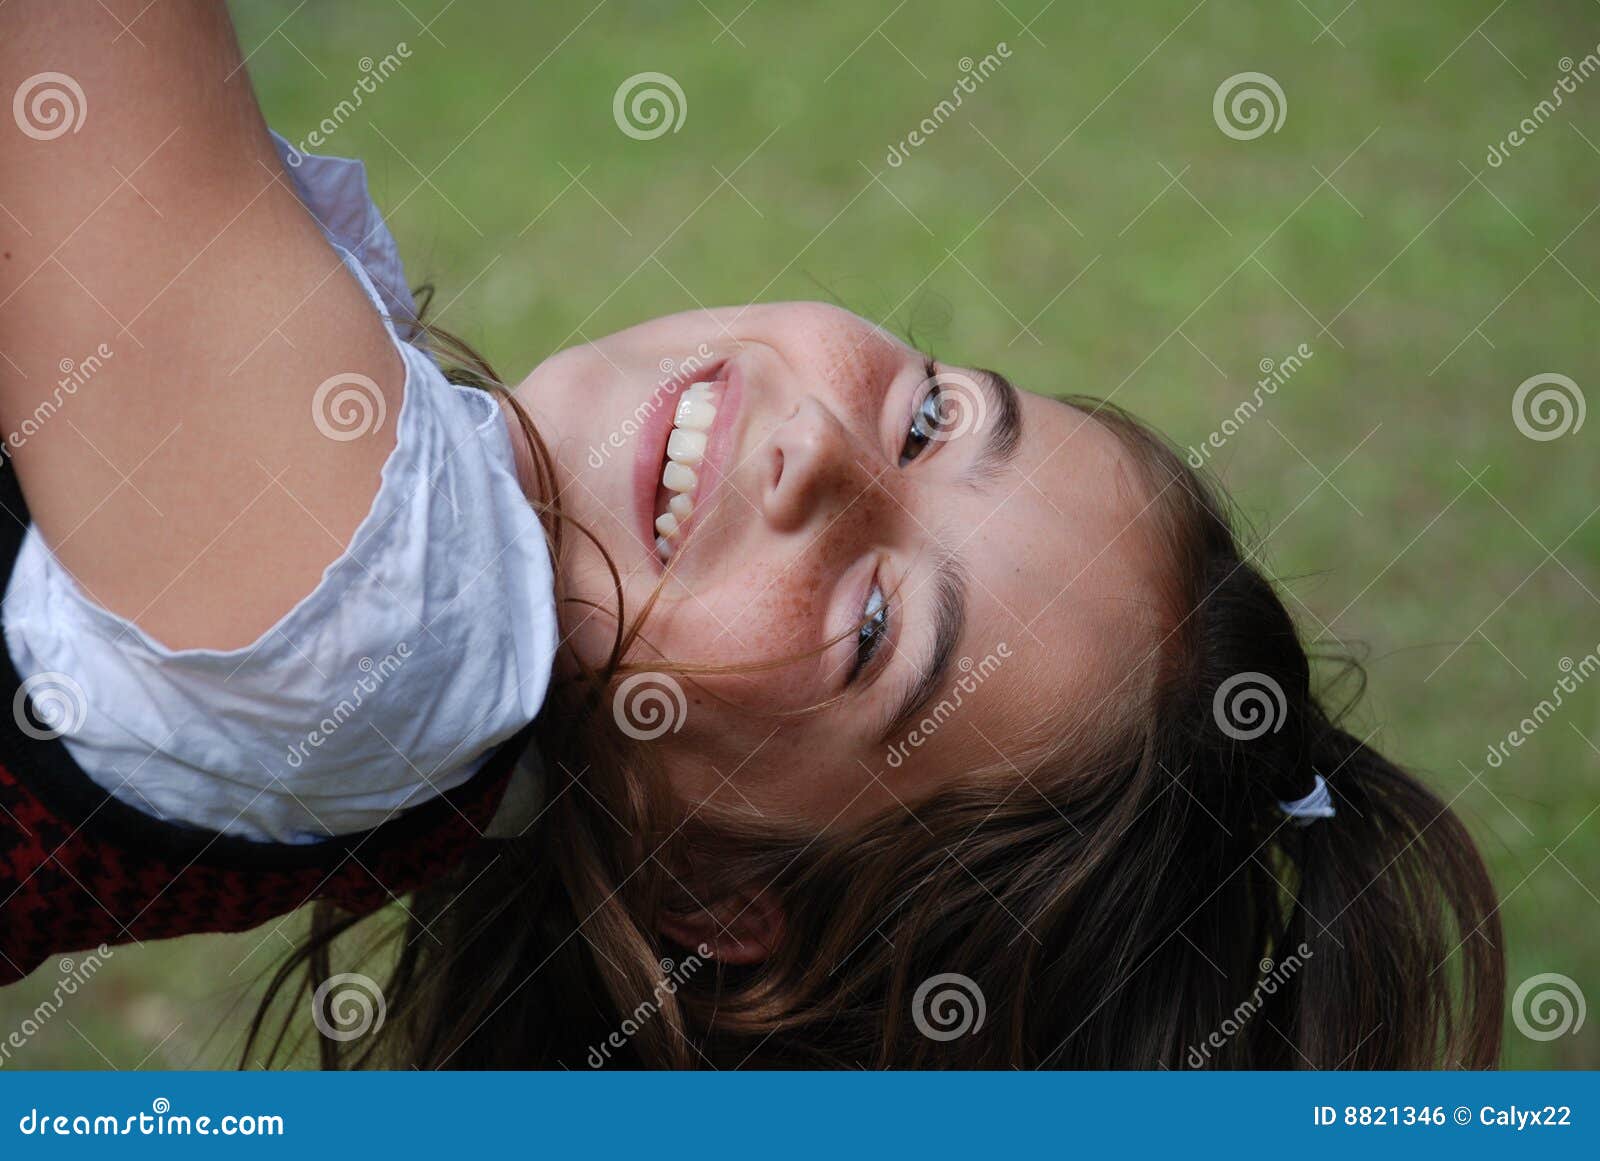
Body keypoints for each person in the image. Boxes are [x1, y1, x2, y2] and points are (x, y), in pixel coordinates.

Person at [1, 2, 1503, 1068]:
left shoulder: (374, 626)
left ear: (713, 905)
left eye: (874, 631)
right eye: (929, 419)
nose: (812, 453)